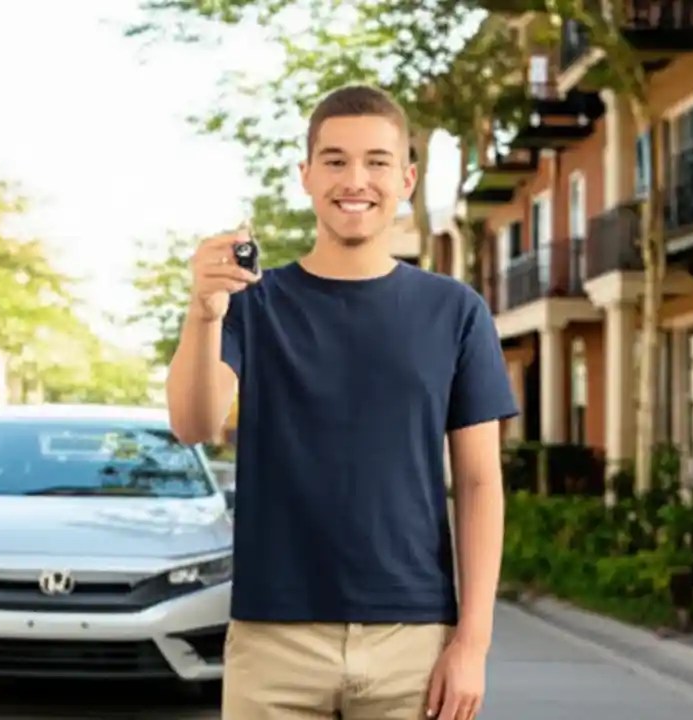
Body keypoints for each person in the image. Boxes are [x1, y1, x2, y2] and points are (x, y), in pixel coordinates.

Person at [165, 84, 517, 720]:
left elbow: (478, 483)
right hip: (273, 644)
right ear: (305, 175)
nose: (355, 179)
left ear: (407, 178)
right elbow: (193, 424)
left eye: (377, 161)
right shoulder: (250, 303)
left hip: (413, 643)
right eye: (334, 160)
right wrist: (202, 311)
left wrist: (473, 642)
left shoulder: (456, 311)